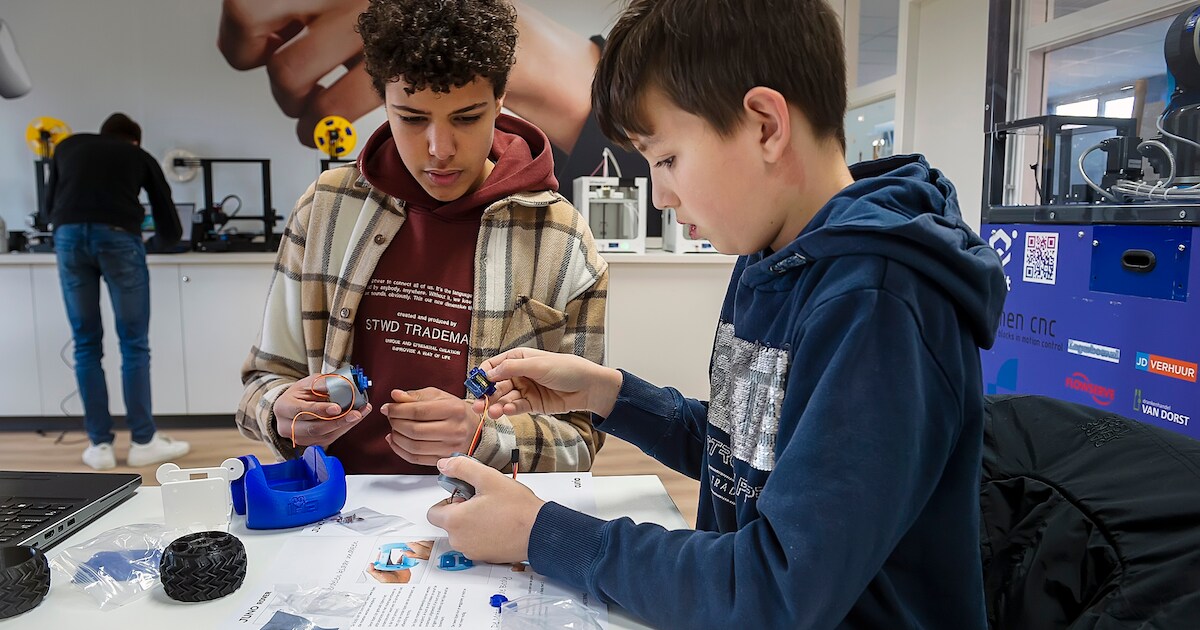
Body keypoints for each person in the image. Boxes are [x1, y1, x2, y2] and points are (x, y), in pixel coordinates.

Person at [426, 0, 1007, 627]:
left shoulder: (881, 302)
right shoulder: (772, 254)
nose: (660, 193)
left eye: (668, 158)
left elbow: (774, 589)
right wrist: (610, 394)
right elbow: (752, 461)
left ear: (764, 124)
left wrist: (539, 533)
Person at [236, 0, 607, 476]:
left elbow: (580, 439)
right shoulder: (326, 208)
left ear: (500, 101)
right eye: (411, 118)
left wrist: (481, 438)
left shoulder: (561, 237)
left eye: (467, 117)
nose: (440, 149)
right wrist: (280, 412)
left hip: (486, 520)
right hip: (335, 514)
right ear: (383, 103)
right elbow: (259, 387)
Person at [43, 113, 191, 470]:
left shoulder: (66, 147)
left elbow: (49, 208)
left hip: (68, 238)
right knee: (133, 342)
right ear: (134, 140)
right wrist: (152, 243)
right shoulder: (138, 156)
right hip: (118, 238)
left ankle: (100, 447)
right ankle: (142, 442)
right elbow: (171, 226)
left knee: (85, 343)